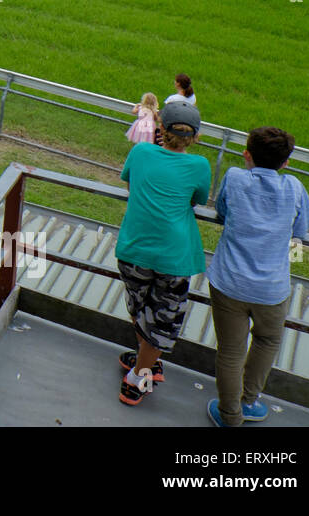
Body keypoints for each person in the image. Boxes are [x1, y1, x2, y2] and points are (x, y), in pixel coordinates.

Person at [205, 127, 309, 427]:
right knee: (267, 342)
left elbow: (223, 212)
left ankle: (230, 416)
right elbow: (300, 230)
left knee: (230, 351)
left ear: (246, 154)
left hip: (229, 283)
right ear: (286, 162)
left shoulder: (235, 178)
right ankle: (249, 402)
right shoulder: (294, 186)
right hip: (272, 289)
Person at [115, 99, 211, 406]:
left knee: (139, 309)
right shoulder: (200, 165)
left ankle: (146, 361)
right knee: (163, 319)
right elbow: (197, 198)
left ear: (160, 129)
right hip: (174, 256)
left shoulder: (141, 151)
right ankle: (139, 377)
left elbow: (131, 183)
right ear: (195, 137)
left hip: (134, 248)